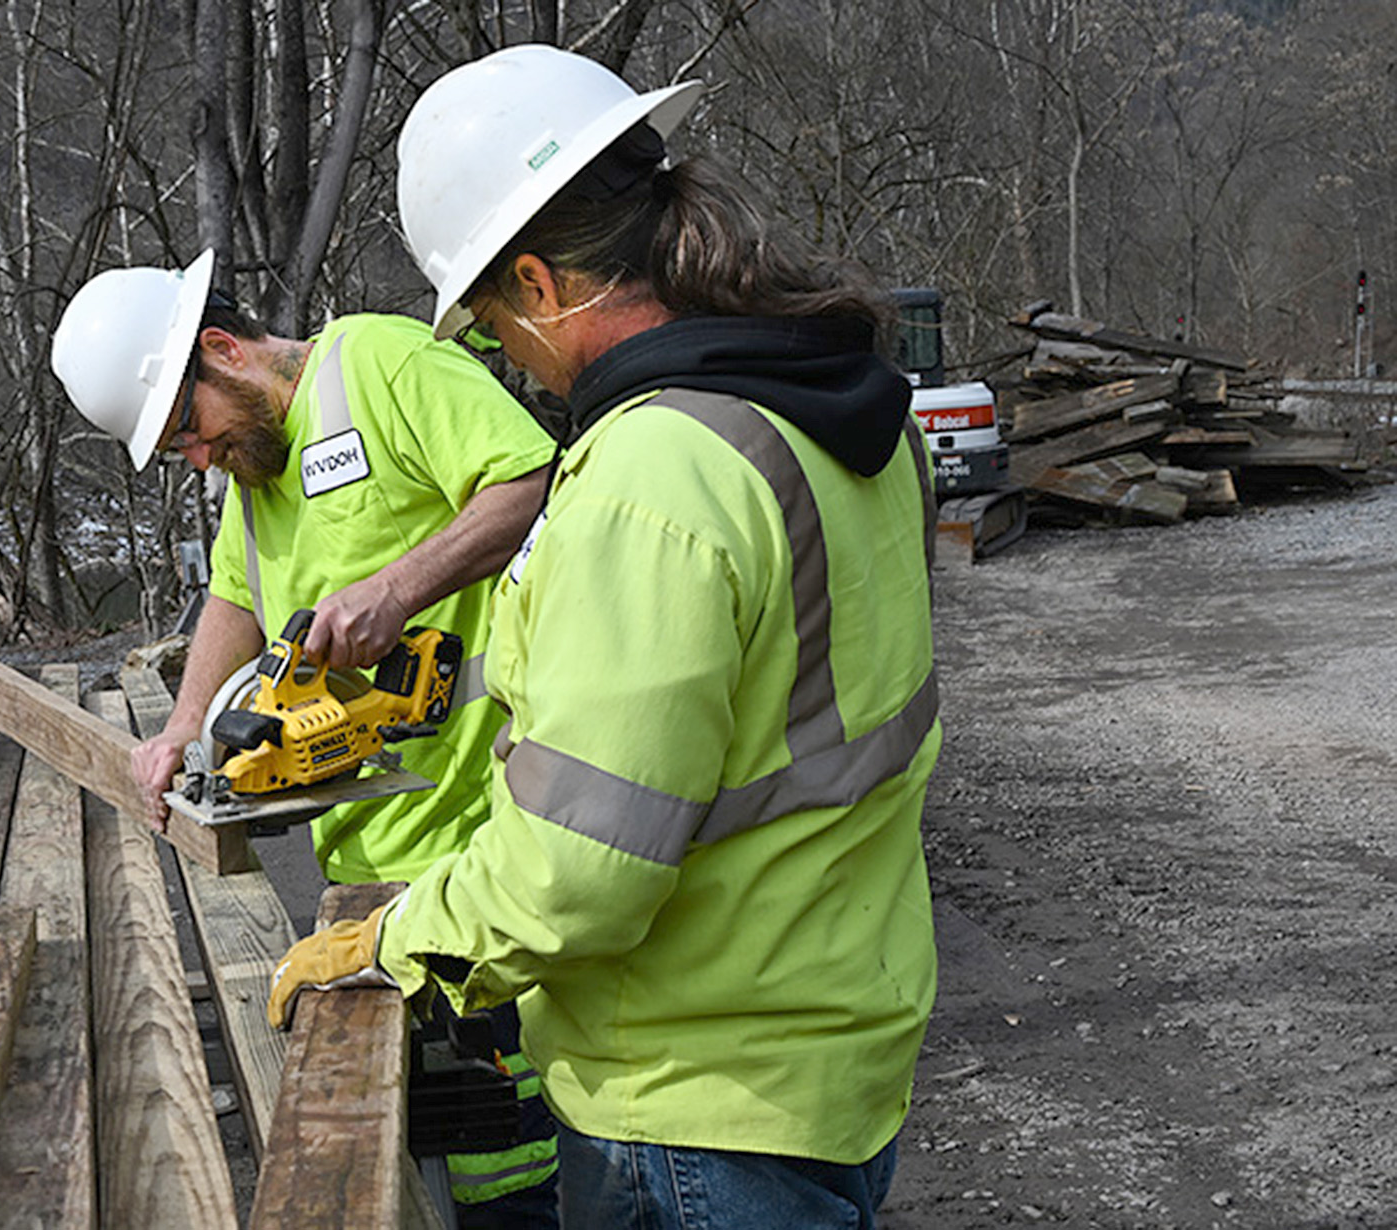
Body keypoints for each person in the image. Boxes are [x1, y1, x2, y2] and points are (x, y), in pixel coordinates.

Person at [267, 44, 941, 1230]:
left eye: (486, 322)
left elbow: (579, 868)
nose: (496, 355)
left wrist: (400, 942)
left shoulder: (652, 476)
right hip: (837, 1047)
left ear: (539, 283)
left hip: (688, 1098)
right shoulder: (840, 414)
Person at [50, 251, 562, 1223]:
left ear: (223, 350)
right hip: (369, 857)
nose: (195, 458)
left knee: (516, 1138)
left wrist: (401, 588)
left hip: (495, 830)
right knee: (434, 1133)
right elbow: (234, 599)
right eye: (175, 454)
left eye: (186, 431)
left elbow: (532, 477)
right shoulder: (257, 475)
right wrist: (182, 731)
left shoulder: (377, 363)